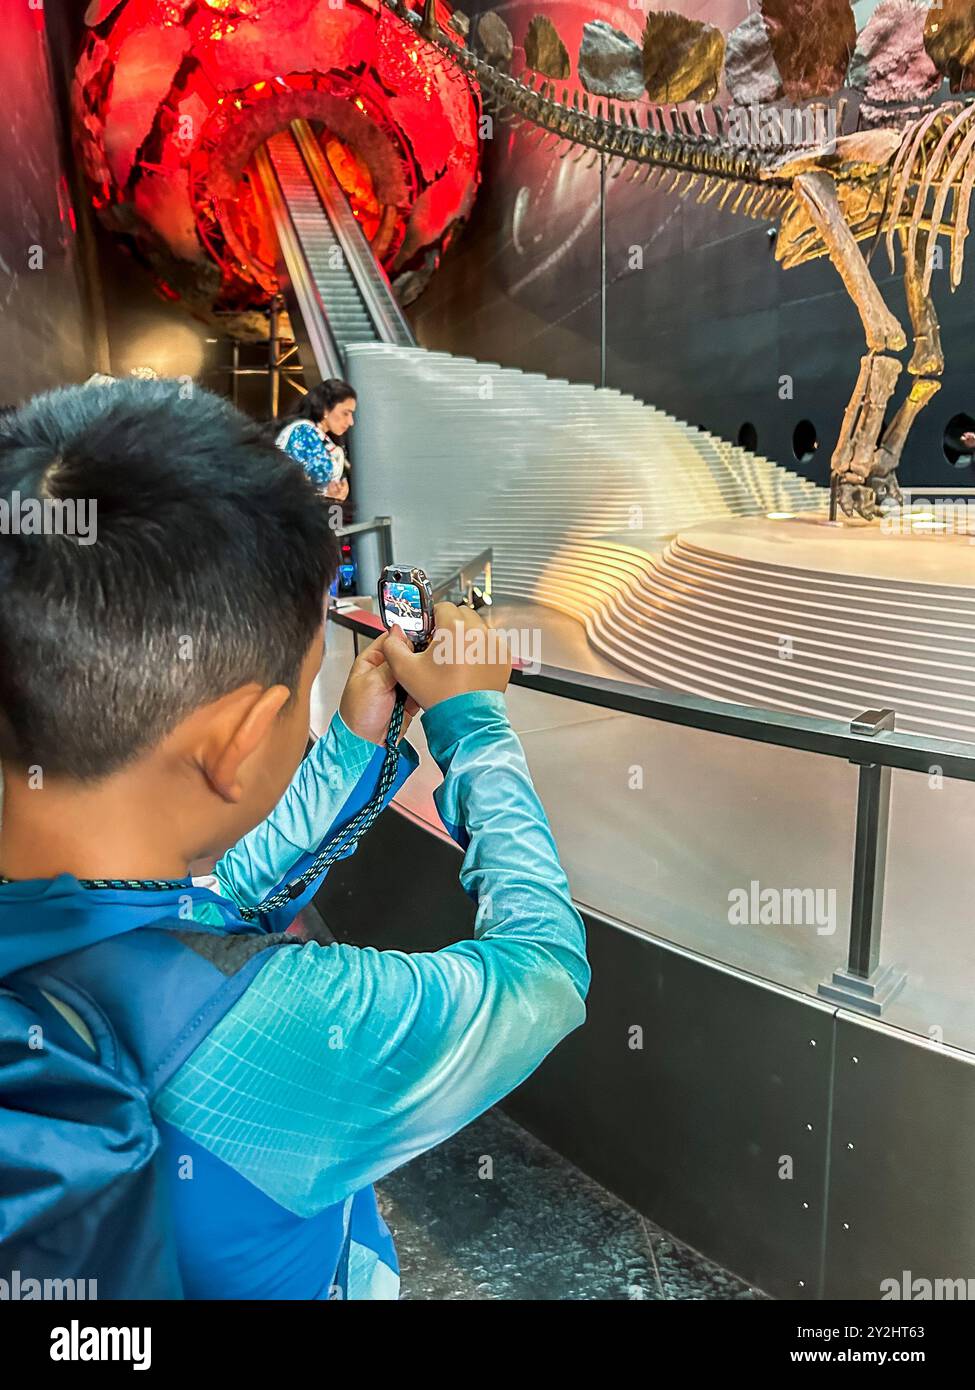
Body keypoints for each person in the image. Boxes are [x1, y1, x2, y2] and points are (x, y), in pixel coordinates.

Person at [0, 379, 589, 1300]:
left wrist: (354, 740)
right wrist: (476, 729)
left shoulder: (72, 911)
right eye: (302, 691)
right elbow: (543, 976)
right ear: (237, 742)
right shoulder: (288, 1025)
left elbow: (199, 914)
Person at [274, 379, 355, 501]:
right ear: (326, 409)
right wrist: (334, 496)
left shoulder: (321, 440)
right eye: (345, 413)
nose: (351, 422)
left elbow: (333, 509)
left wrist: (337, 498)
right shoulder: (303, 433)